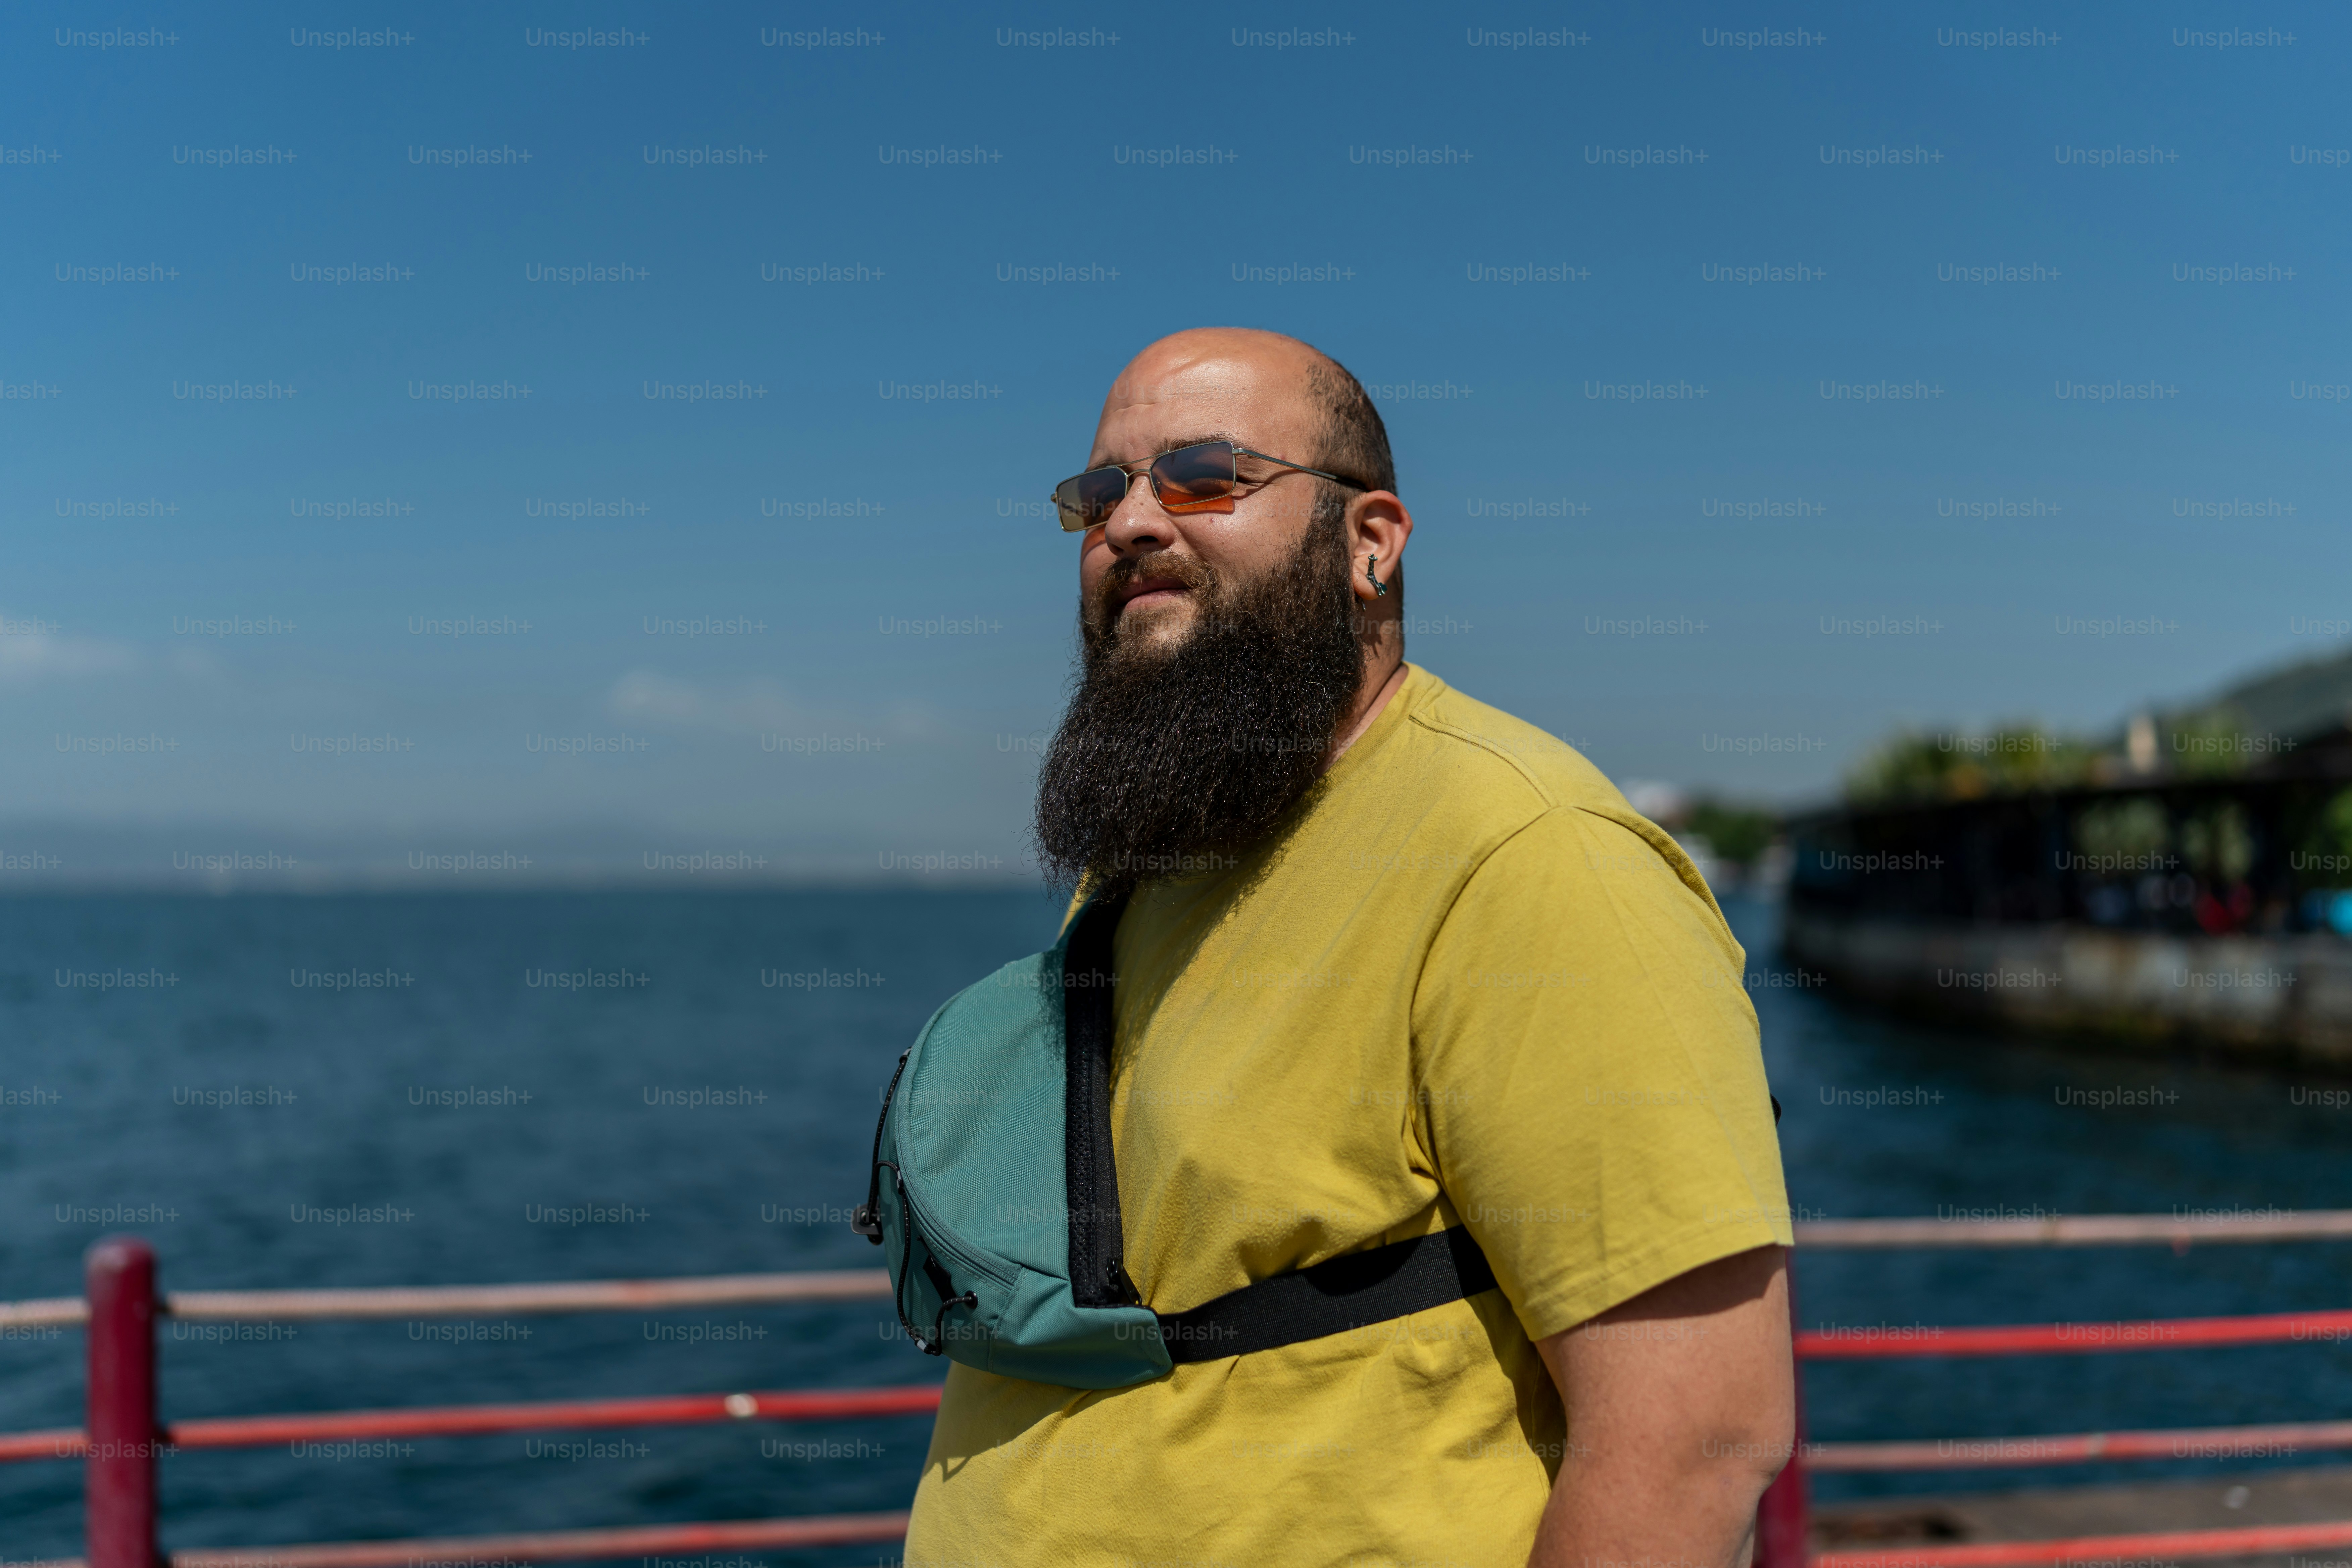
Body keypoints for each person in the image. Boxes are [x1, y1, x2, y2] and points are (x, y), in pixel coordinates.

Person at [905, 327, 1794, 1567]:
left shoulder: (1528, 854)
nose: (1132, 523)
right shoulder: (1156, 854)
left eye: (1206, 475)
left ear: (1370, 541)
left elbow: (1696, 1439)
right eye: (1101, 493)